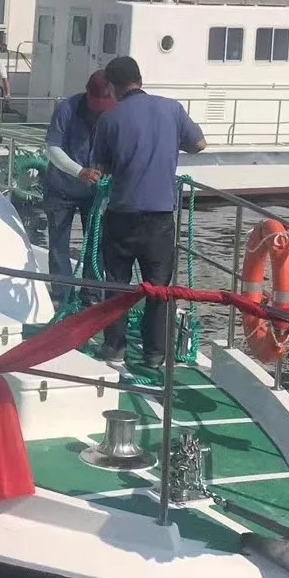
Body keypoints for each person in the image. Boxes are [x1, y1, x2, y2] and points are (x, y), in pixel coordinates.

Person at [89, 54, 205, 369]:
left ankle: (115, 347)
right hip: (160, 217)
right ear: (139, 80)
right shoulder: (172, 109)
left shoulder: (109, 119)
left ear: (112, 87)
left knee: (117, 283)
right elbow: (199, 144)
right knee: (159, 287)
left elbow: (100, 166)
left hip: (122, 214)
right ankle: (155, 353)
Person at [41, 69, 114, 306]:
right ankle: (63, 298)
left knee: (96, 244)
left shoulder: (113, 114)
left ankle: (91, 296)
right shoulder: (66, 109)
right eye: (96, 104)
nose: (99, 111)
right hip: (60, 190)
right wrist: (79, 171)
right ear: (88, 94)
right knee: (59, 245)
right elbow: (52, 148)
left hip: (95, 193)